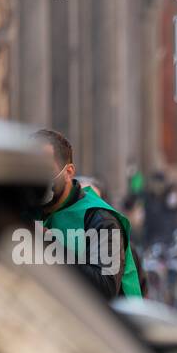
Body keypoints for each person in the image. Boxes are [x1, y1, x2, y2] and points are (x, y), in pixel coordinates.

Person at [33, 128, 142, 300]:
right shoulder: (24, 213)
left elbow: (105, 288)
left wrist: (53, 247)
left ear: (68, 172)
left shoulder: (102, 220)